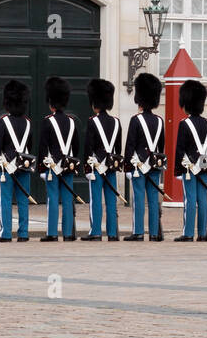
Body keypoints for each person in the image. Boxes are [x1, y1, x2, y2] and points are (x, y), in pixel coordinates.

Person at [124, 72, 165, 243]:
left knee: (139, 198)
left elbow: (130, 145)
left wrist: (127, 166)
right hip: (154, 165)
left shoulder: (135, 120)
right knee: (153, 199)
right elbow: (161, 145)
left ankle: (138, 232)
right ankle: (154, 233)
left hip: (138, 165)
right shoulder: (160, 120)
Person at [38, 76, 78, 243]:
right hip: (68, 165)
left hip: (52, 166)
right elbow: (76, 146)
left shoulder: (47, 122)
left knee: (53, 198)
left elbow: (42, 147)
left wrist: (41, 167)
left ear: (51, 102)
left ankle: (52, 233)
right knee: (67, 199)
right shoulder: (72, 121)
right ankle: (68, 233)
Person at [0, 79, 33, 243]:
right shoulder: (28, 122)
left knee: (6, 201)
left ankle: (6, 234)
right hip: (24, 166)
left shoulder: (3, 121)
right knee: (23, 201)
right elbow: (29, 145)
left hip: (6, 167)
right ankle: (23, 233)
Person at [82, 78, 122, 242]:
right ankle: (112, 233)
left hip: (97, 167)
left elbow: (88, 147)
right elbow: (118, 148)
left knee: (96, 201)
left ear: (94, 102)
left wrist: (87, 168)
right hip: (112, 166)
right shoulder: (116, 122)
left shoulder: (92, 122)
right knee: (111, 202)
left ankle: (96, 232)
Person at [174, 79, 207, 243]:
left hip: (189, 169)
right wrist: (203, 166)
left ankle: (188, 233)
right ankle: (203, 233)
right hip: (203, 166)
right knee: (202, 200)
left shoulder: (184, 124)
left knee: (190, 199)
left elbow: (180, 148)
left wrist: (178, 169)